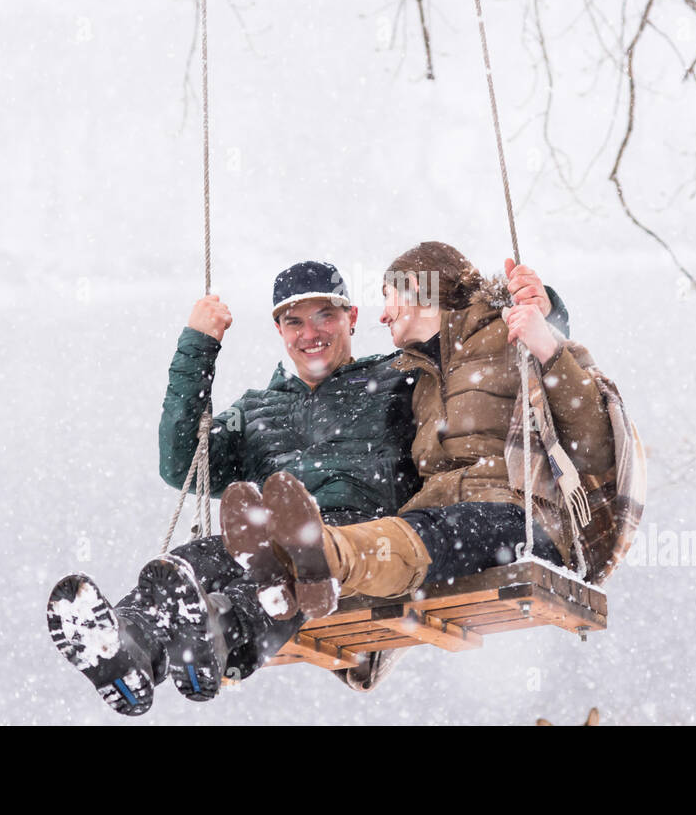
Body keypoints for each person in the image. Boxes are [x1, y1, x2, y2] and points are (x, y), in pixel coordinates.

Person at [46, 258, 566, 714]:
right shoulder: (255, 411)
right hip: (264, 531)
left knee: (287, 564)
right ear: (278, 330)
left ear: (352, 319)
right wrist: (198, 345)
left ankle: (218, 638)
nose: (310, 333)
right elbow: (179, 462)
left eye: (325, 316)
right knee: (195, 559)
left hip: (356, 537)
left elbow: (486, 362)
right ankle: (127, 649)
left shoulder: (397, 376)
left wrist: (545, 313)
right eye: (293, 321)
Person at [218, 242, 625, 618]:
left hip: (518, 521)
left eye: (386, 296)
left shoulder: (511, 335)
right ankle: (299, 566)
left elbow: (593, 446)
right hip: (433, 526)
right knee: (423, 530)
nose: (381, 315)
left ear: (413, 287)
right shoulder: (412, 375)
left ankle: (318, 554)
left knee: (439, 531)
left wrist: (549, 329)